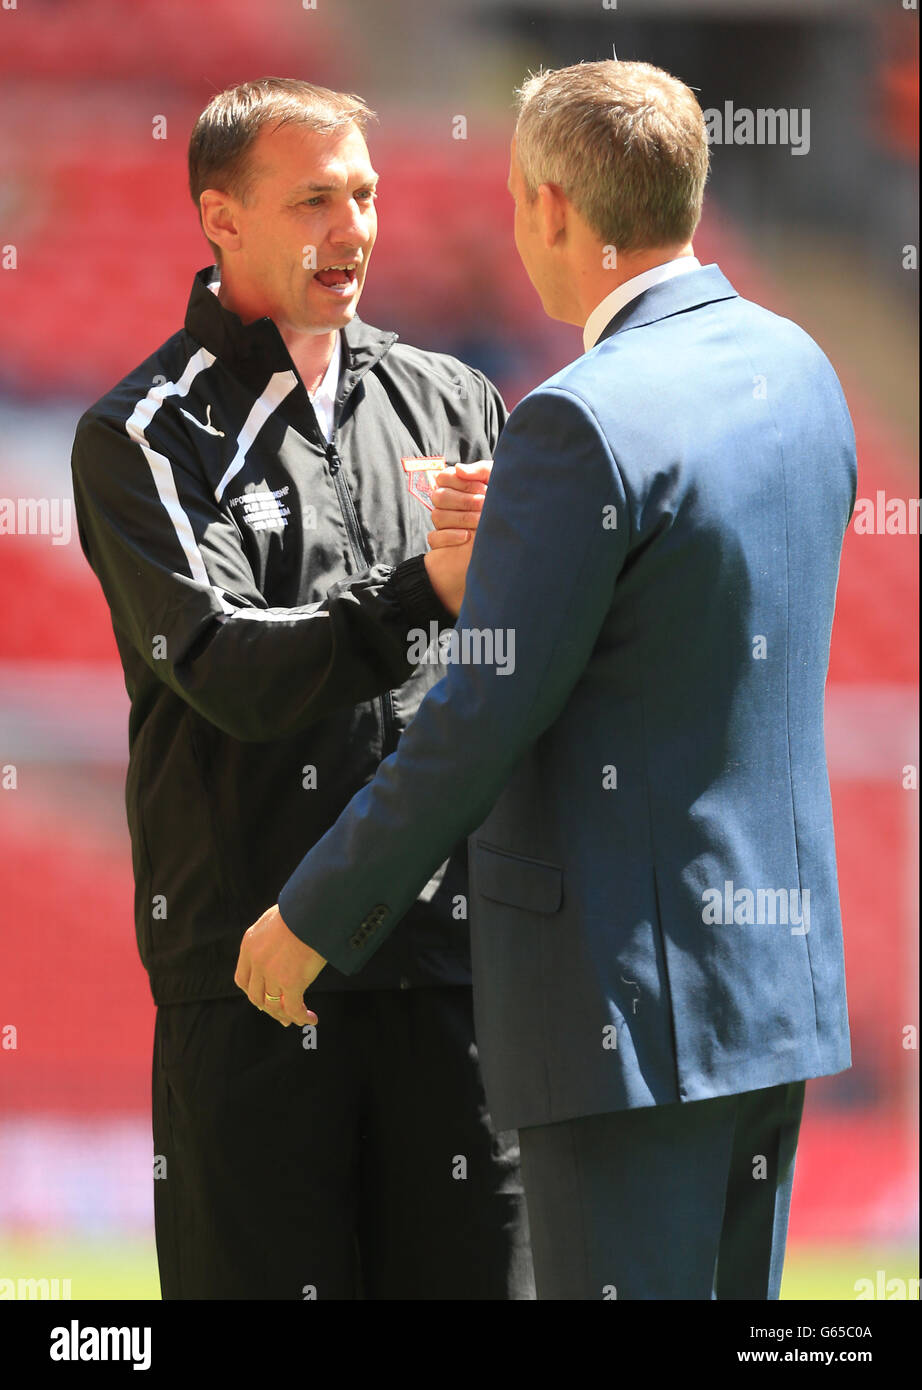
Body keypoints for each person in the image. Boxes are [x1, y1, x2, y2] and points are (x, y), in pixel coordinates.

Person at [236, 60, 857, 1300]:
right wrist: (530, 537)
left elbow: (479, 719)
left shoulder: (576, 421)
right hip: (771, 997)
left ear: (557, 207)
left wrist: (312, 916)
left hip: (625, 1019)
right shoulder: (798, 365)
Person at [70, 76, 534, 1300]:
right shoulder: (142, 436)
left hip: (446, 973)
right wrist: (418, 593)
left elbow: (515, 668)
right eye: (316, 198)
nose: (354, 229)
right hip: (254, 979)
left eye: (367, 195)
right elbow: (225, 667)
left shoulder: (455, 400)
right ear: (220, 219)